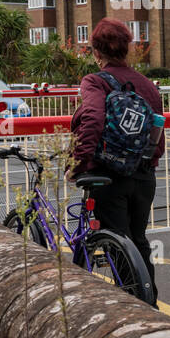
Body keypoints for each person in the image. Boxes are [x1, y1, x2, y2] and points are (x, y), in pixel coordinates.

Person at [70, 19, 164, 302]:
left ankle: (130, 306)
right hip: (144, 175)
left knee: (116, 242)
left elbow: (93, 118)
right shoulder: (147, 85)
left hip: (109, 176)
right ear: (127, 50)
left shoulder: (95, 81)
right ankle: (149, 303)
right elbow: (157, 132)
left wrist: (79, 163)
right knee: (138, 241)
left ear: (96, 52)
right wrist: (148, 162)